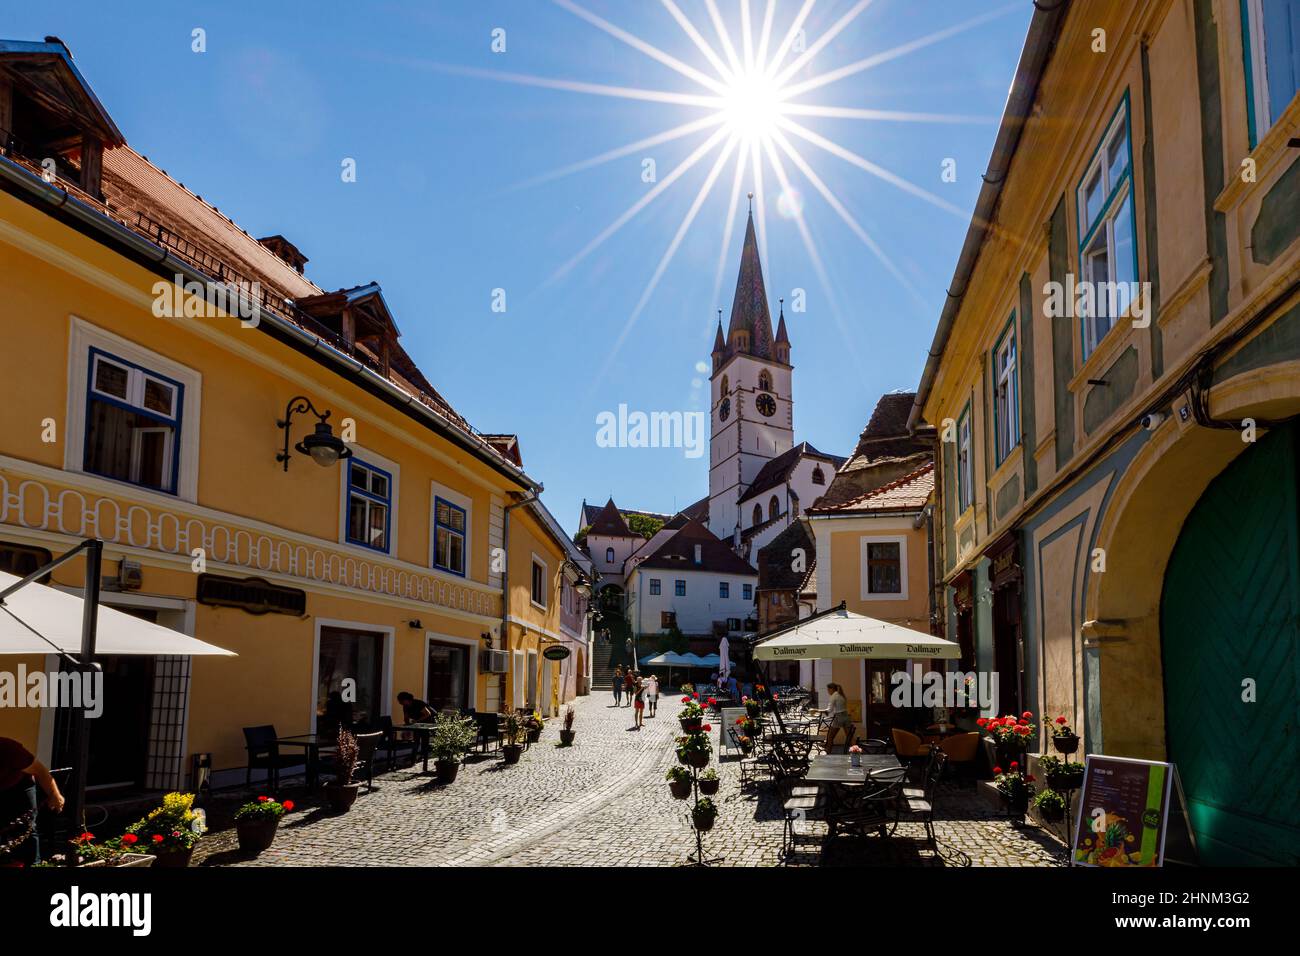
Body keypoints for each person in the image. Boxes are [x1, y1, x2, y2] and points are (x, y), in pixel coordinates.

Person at [0, 736, 64, 866]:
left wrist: (55, 795)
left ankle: (33, 863)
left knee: (26, 828)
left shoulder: (8, 748)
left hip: (19, 786)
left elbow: (40, 771)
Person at [824, 683, 854, 753]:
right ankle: (857, 753)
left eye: (828, 690)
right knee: (850, 737)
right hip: (846, 716)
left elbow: (829, 710)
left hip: (838, 717)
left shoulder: (833, 696)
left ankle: (827, 753)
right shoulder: (841, 695)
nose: (828, 691)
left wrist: (817, 710)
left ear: (831, 689)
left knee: (830, 737)